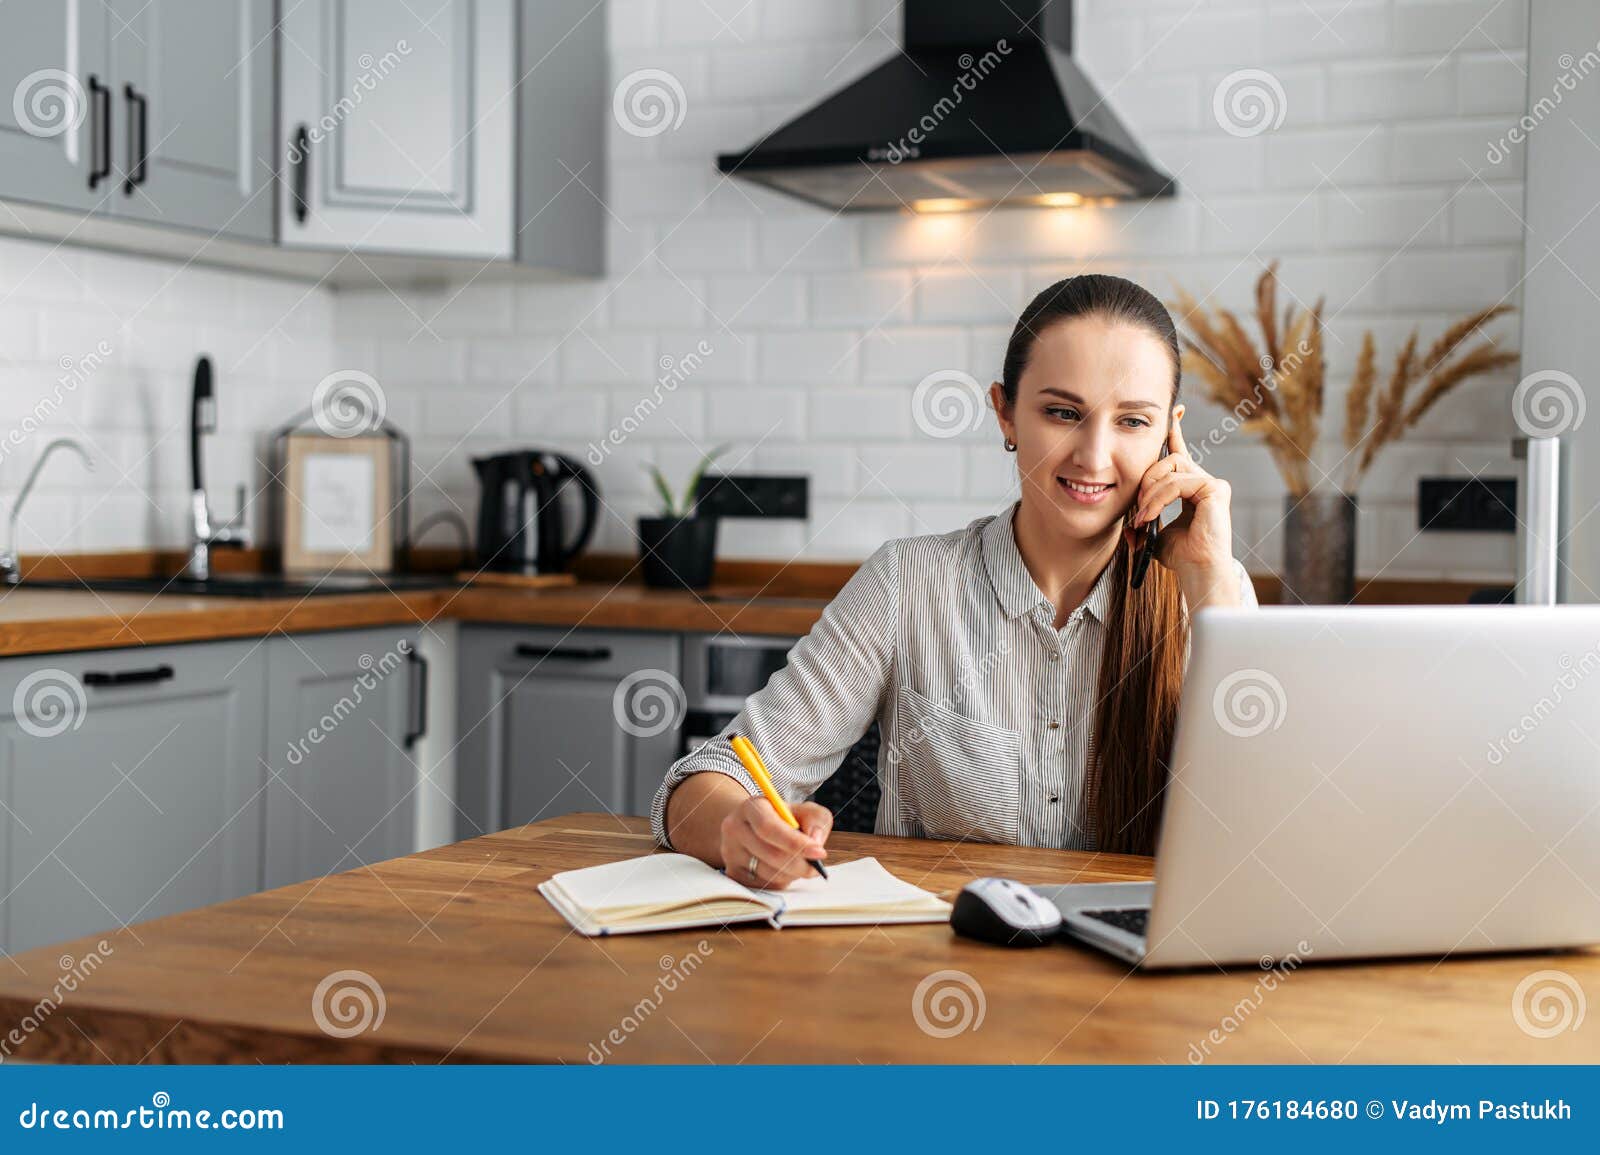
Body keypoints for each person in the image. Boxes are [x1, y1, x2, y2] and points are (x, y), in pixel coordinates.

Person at [652, 273, 1257, 888]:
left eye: (1132, 422)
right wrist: (738, 826)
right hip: (942, 963)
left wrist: (1208, 579)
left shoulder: (1211, 592)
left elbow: (1266, 831)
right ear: (1006, 414)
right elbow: (703, 782)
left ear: (1170, 433)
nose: (1094, 457)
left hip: (1142, 972)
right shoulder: (908, 585)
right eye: (1062, 413)